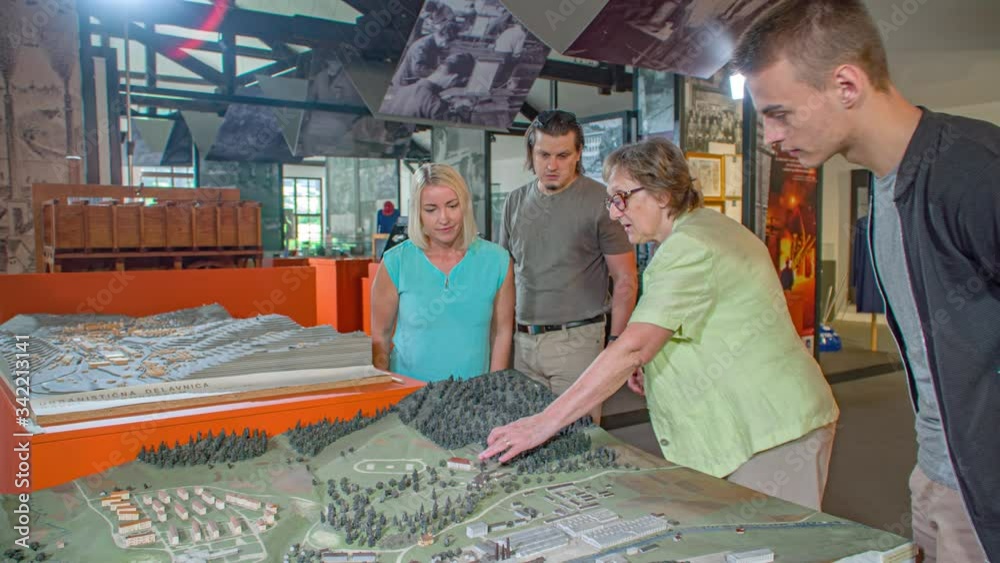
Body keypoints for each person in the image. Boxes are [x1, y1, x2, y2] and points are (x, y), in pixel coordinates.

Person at [732, 0, 999, 559]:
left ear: (846, 85)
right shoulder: (886, 184)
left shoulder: (977, 171)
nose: (771, 136)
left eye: (780, 114)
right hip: (936, 474)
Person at [483, 138, 840, 510]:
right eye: (611, 200)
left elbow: (635, 346)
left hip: (771, 430)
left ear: (663, 194)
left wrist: (542, 424)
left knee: (772, 536)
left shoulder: (691, 245)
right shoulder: (705, 229)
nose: (615, 213)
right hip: (764, 423)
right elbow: (699, 319)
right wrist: (652, 367)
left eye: (622, 198)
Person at [498, 110, 637, 422]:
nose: (552, 165)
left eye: (562, 156)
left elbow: (625, 278)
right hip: (523, 342)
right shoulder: (514, 202)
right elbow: (504, 280)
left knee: (576, 441)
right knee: (523, 439)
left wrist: (616, 345)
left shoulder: (602, 201)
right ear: (531, 154)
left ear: (578, 154)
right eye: (543, 155)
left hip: (578, 341)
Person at [371, 163, 514, 382]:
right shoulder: (395, 262)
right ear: (418, 213)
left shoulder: (498, 261)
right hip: (408, 394)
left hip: (474, 395)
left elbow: (502, 333)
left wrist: (493, 391)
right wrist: (383, 392)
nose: (444, 218)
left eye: (452, 205)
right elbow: (380, 337)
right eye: (431, 209)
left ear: (465, 206)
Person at [381, 53, 475, 122]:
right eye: (456, 83)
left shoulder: (403, 90)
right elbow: (457, 127)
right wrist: (464, 111)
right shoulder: (435, 105)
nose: (452, 87)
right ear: (453, 77)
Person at [392, 22, 460, 87]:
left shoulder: (436, 42)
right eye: (447, 42)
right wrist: (440, 74)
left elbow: (440, 59)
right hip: (405, 83)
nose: (447, 45)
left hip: (415, 81)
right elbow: (418, 70)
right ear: (443, 35)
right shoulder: (422, 46)